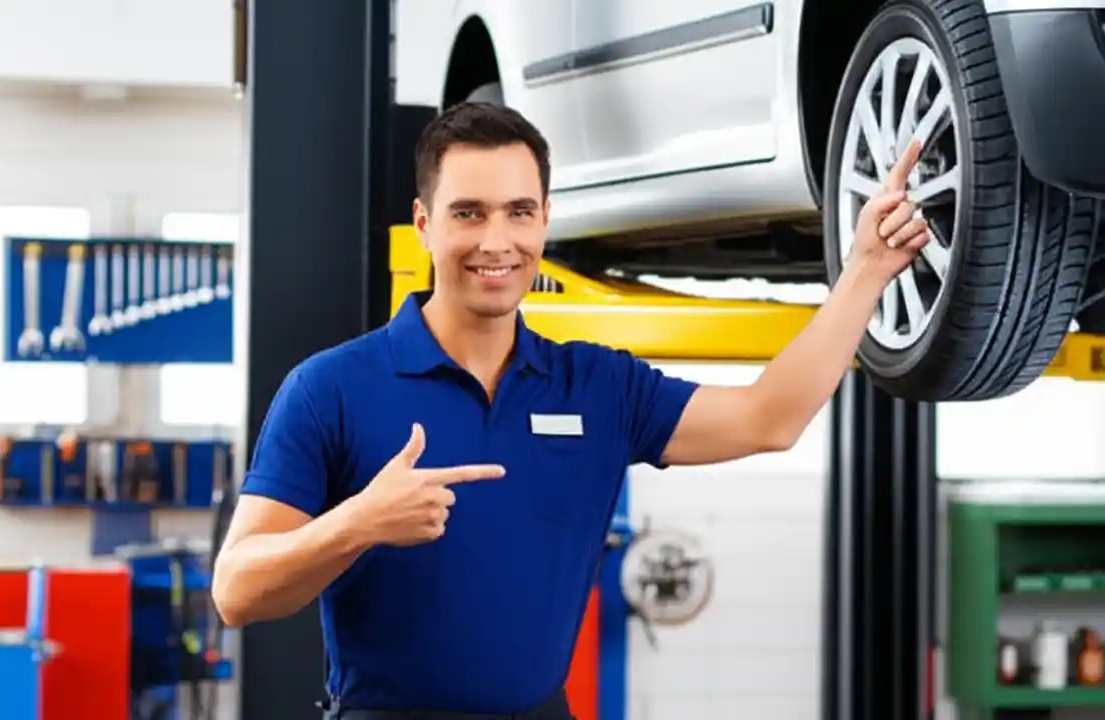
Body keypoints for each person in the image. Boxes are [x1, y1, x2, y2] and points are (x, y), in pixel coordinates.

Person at [212, 102, 927, 719]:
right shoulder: (331, 388)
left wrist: (864, 269)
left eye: (519, 213)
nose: (497, 241)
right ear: (426, 224)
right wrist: (357, 522)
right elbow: (236, 591)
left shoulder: (596, 386)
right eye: (469, 213)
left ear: (545, 221)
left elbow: (768, 417)